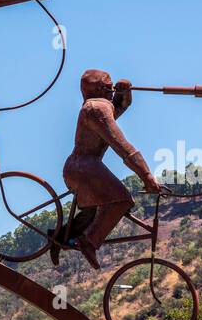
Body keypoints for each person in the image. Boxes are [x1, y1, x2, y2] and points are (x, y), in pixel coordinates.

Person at [53, 69, 165, 268]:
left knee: (95, 211)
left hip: (84, 167)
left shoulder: (99, 106)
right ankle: (89, 242)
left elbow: (120, 106)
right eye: (110, 86)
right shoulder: (96, 109)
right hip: (84, 168)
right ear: (101, 88)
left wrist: (125, 91)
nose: (112, 89)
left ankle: (63, 237)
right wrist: (146, 176)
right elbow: (123, 147)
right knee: (121, 199)